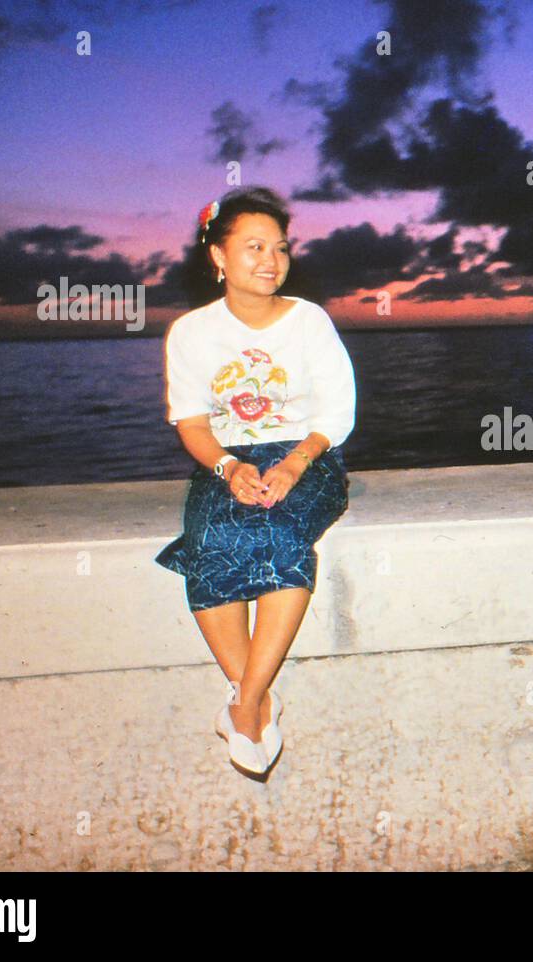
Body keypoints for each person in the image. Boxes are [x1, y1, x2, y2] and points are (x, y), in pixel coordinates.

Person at [155, 186, 356, 779]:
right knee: (211, 541)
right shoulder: (190, 332)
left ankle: (242, 707)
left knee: (282, 534)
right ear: (218, 256)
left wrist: (294, 464)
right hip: (226, 458)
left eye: (280, 247)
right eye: (253, 246)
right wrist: (229, 467)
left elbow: (336, 413)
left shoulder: (308, 321)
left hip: (308, 455)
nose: (271, 259)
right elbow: (191, 423)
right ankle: (259, 699)